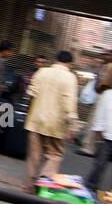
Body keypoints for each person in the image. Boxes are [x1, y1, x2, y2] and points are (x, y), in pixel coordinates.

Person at [24, 49, 79, 187]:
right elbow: (69, 102)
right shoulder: (70, 77)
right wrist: (72, 126)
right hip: (56, 124)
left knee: (34, 155)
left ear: (56, 59)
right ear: (70, 63)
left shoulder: (41, 72)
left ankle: (29, 184)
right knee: (54, 155)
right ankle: (43, 183)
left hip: (36, 120)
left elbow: (31, 94)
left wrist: (28, 113)